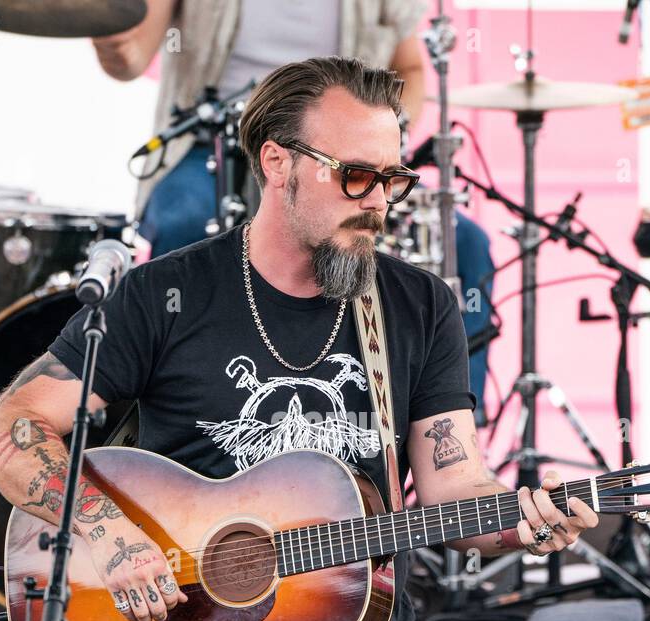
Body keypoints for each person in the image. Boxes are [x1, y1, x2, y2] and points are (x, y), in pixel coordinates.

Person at [0, 57, 597, 621]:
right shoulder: (165, 296)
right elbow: (7, 430)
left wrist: (524, 524)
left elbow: (455, 488)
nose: (378, 201)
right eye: (356, 175)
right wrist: (110, 534)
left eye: (392, 179)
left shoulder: (418, 306)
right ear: (277, 163)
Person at [92, 0, 495, 413]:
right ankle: (171, 413)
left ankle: (462, 420)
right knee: (184, 222)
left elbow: (409, 70)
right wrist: (102, 24)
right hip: (209, 142)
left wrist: (377, 145)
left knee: (465, 243)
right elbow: (129, 58)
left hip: (346, 154)